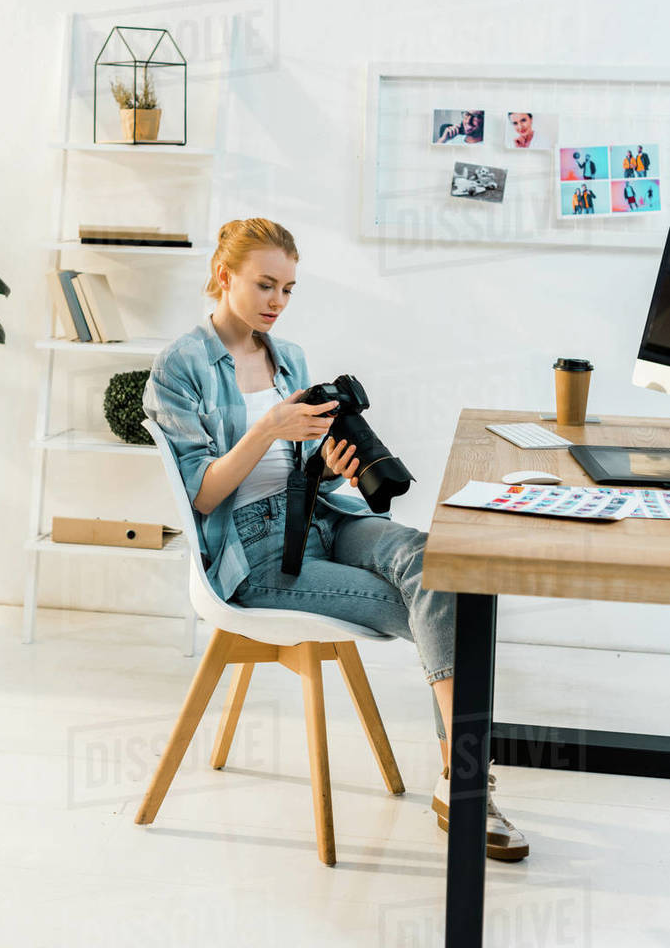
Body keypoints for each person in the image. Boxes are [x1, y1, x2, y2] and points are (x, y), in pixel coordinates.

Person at [142, 217, 528, 862]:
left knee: (439, 561)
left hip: (319, 513)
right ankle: (465, 785)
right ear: (223, 275)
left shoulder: (286, 356)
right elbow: (202, 494)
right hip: (252, 551)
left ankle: (459, 778)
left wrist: (332, 461)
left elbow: (302, 464)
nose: (277, 302)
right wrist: (268, 428)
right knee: (447, 604)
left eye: (289, 289)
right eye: (265, 285)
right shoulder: (180, 366)